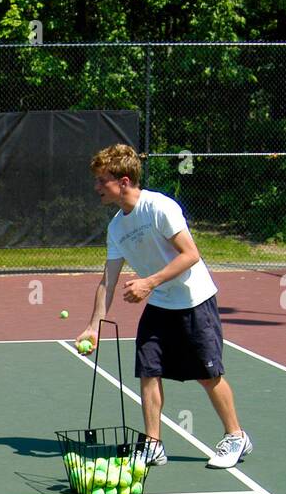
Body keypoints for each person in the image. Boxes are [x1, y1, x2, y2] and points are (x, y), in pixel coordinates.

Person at [76, 144, 252, 469]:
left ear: (124, 181)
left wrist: (148, 283)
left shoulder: (159, 207)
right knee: (148, 370)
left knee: (207, 374)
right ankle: (153, 444)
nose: (97, 188)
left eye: (102, 181)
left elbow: (191, 254)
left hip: (193, 300)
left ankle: (236, 437)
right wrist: (93, 325)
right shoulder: (116, 227)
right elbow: (108, 281)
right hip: (160, 305)